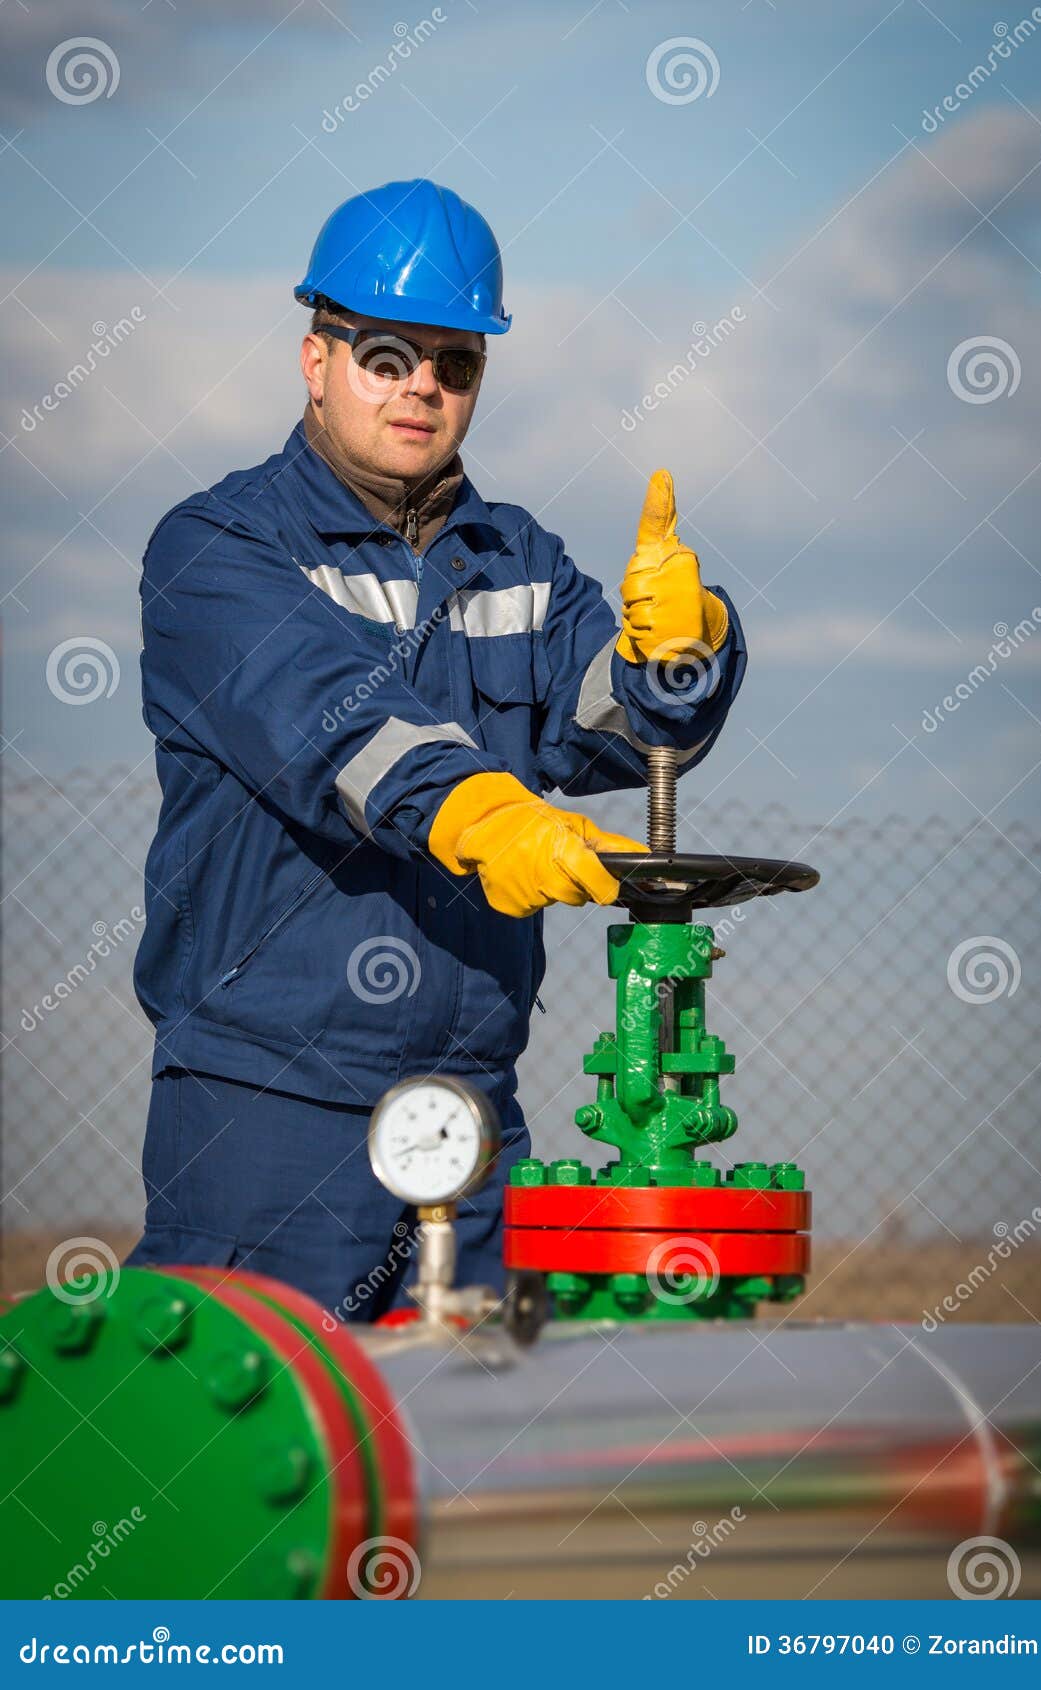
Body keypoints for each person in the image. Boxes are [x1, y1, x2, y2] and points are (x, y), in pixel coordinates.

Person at [124, 177, 747, 1320]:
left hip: (474, 1113)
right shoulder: (214, 547)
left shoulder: (512, 559)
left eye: (452, 364)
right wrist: (483, 815)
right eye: (384, 353)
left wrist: (678, 651)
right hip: (269, 1109)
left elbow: (614, 730)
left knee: (485, 1470)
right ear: (316, 358)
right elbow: (331, 725)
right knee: (255, 1450)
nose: (420, 386)